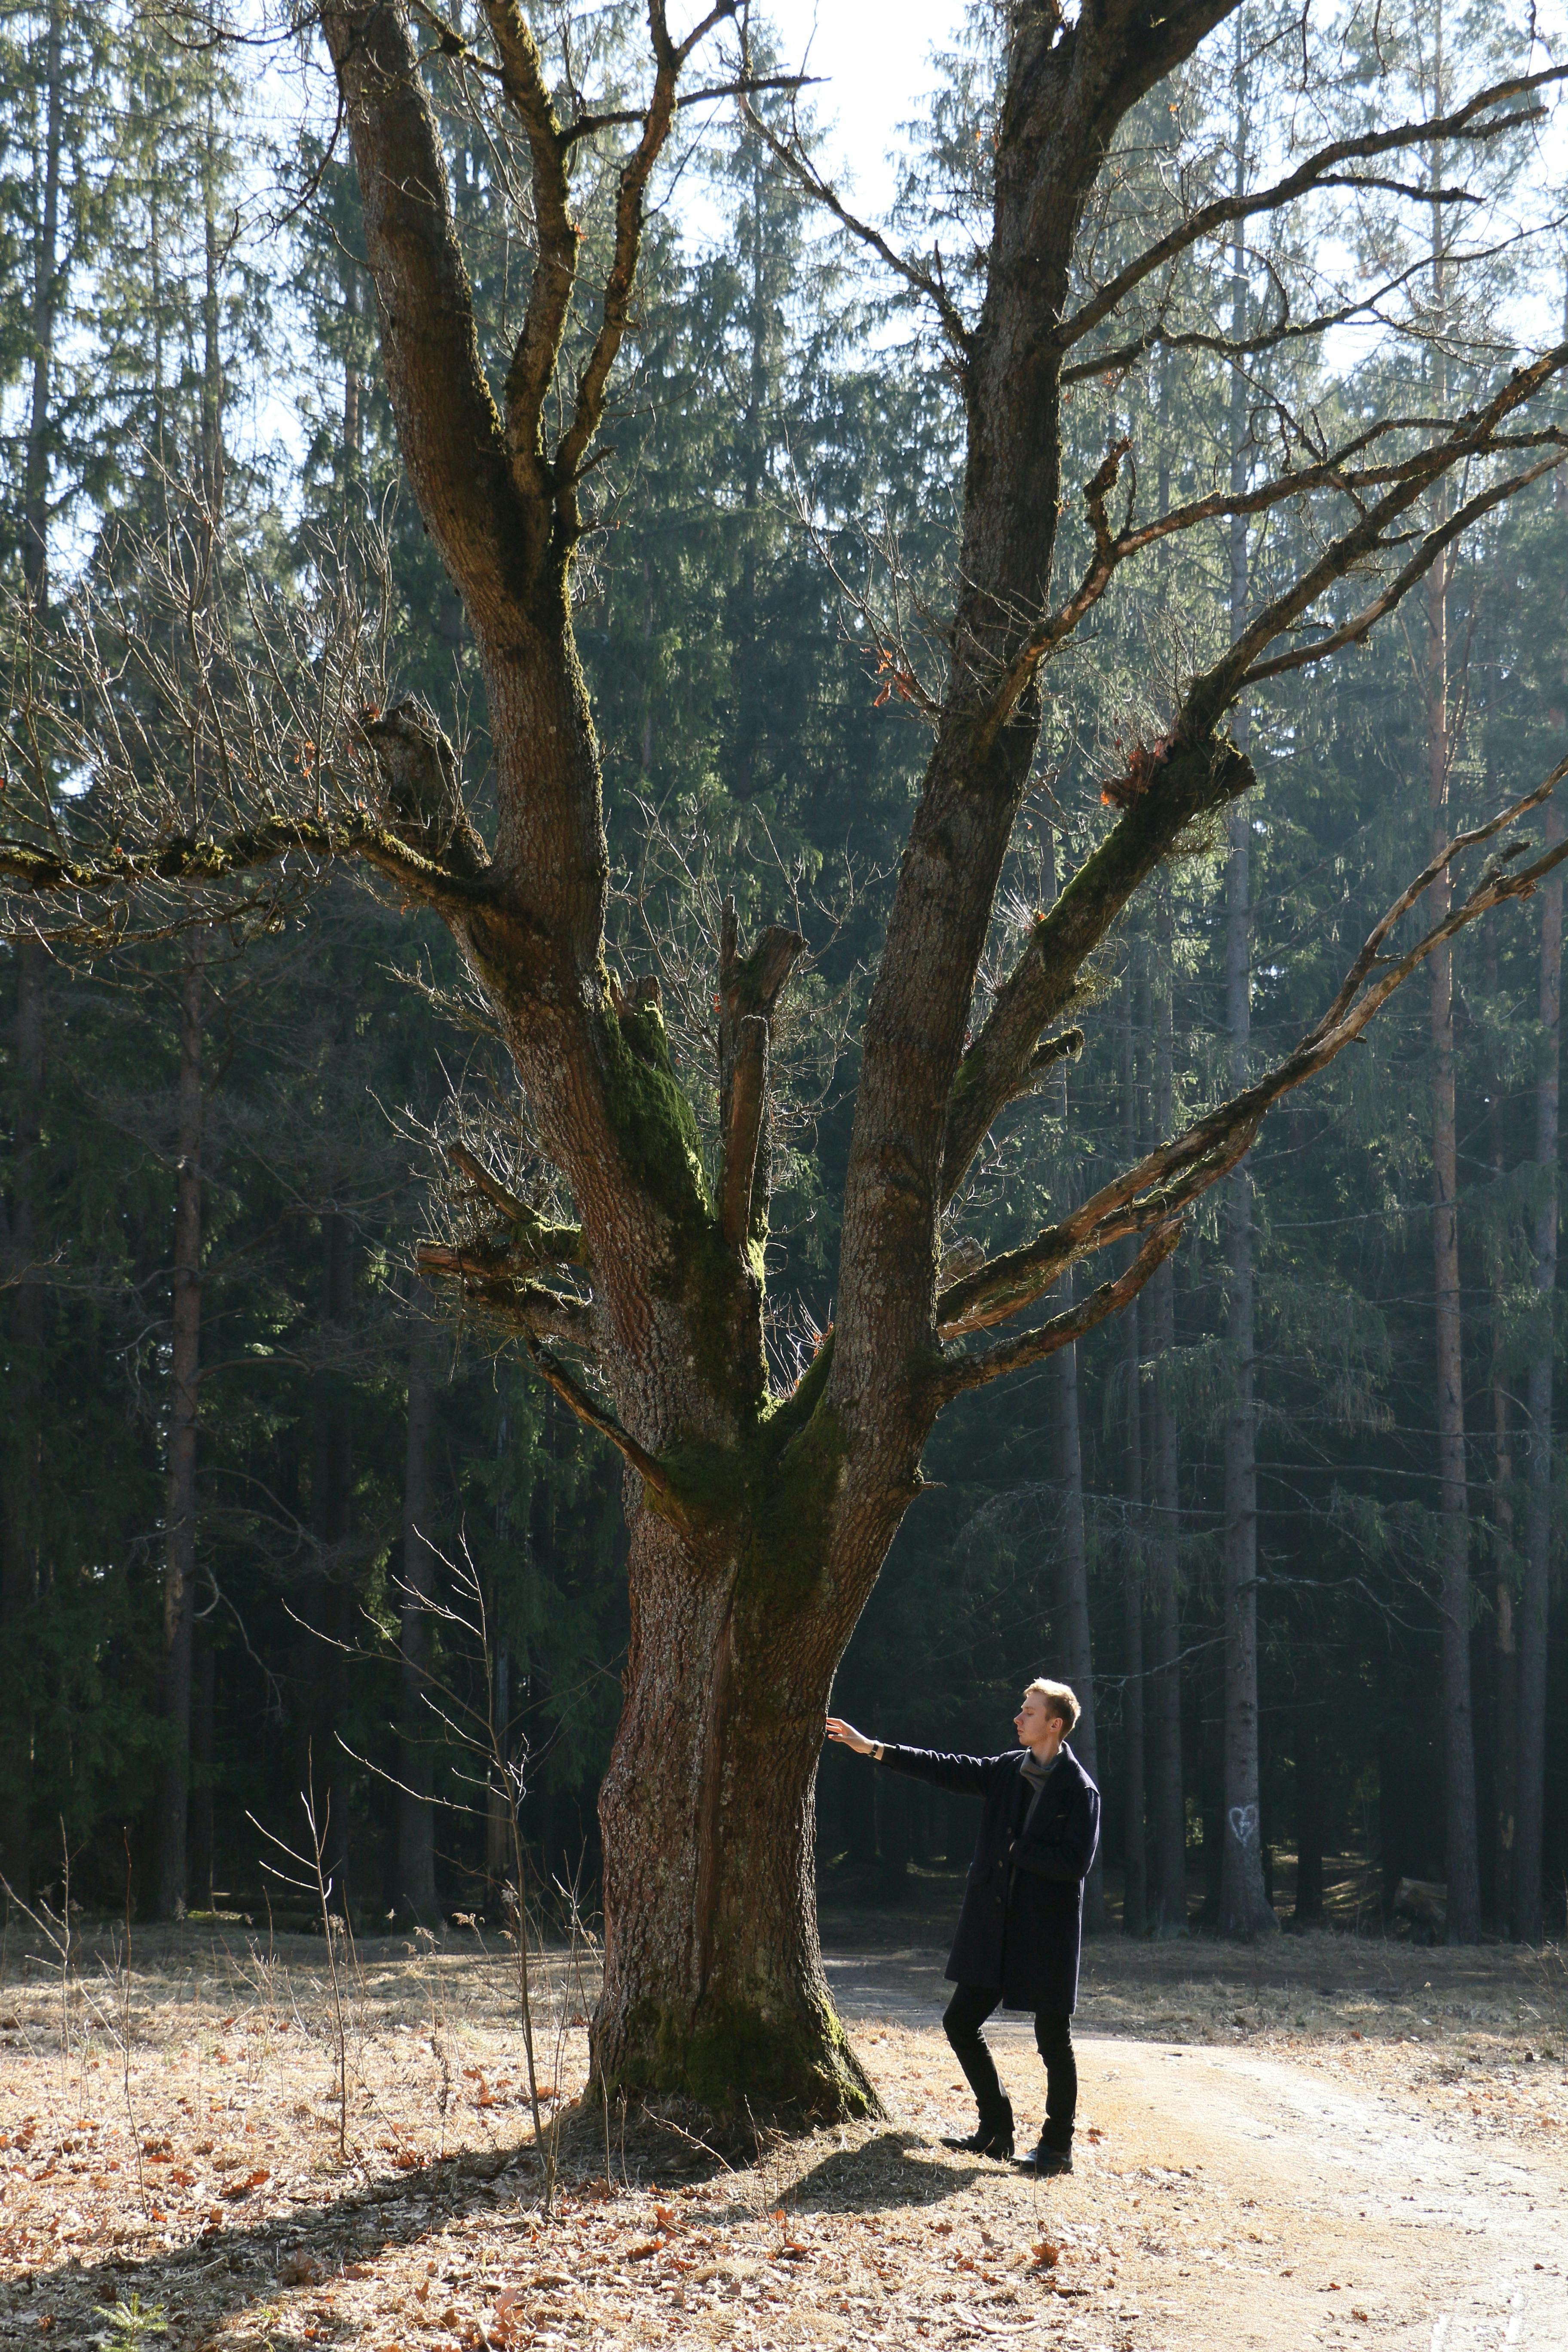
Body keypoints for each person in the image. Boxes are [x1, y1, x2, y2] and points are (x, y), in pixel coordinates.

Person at [825, 1681, 1100, 2176]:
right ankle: (996, 2131)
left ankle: (1057, 2147)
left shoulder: (1079, 1790)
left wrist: (1017, 1851)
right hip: (994, 1929)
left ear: (1054, 1724)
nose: (1018, 1718)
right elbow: (943, 1767)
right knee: (960, 2023)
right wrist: (873, 1749)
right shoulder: (1005, 1770)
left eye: (1029, 1712)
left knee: (1053, 2040)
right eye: (1022, 1710)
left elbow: (1075, 1863)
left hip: (1045, 1937)